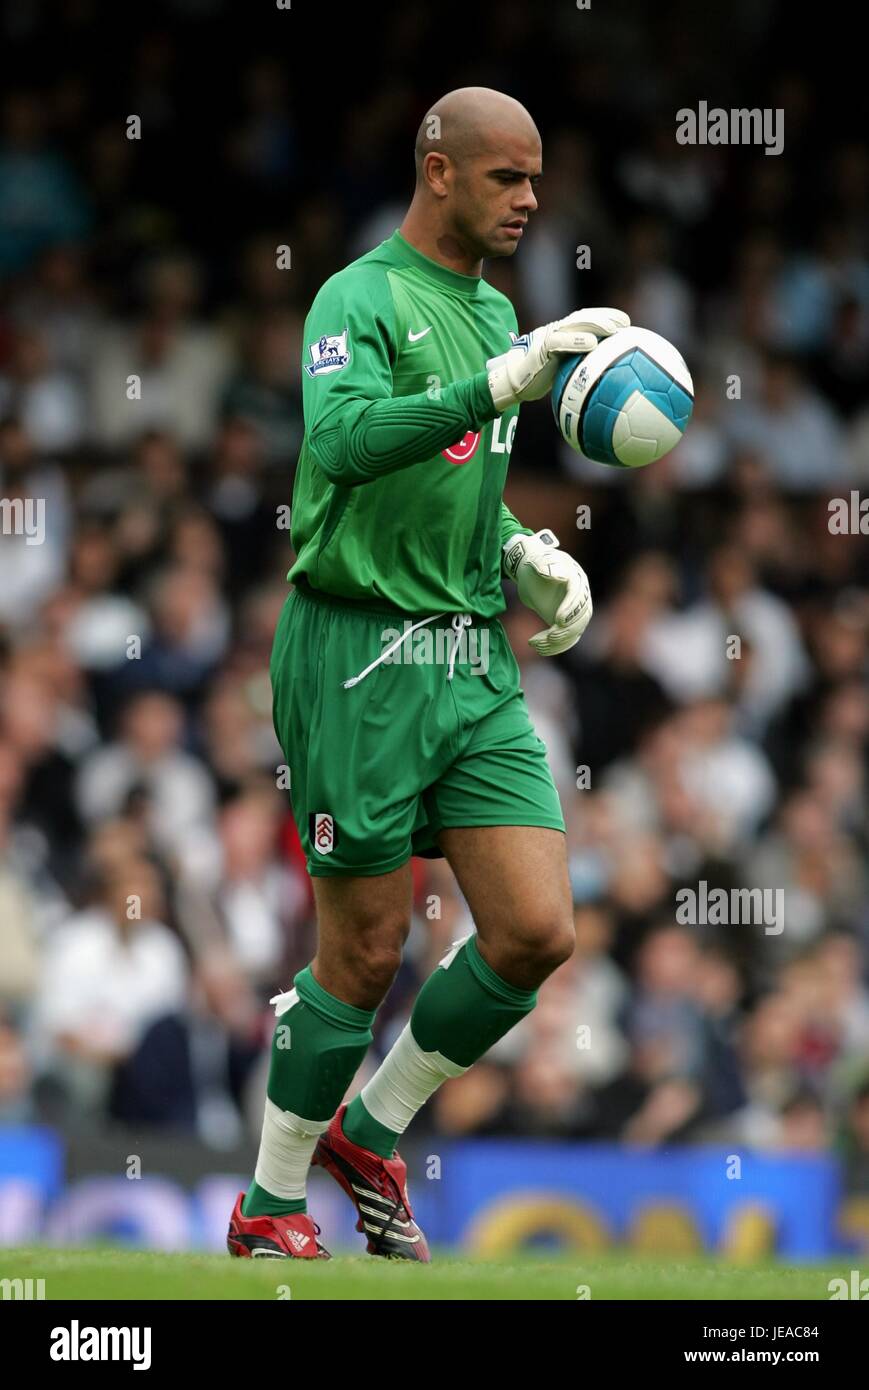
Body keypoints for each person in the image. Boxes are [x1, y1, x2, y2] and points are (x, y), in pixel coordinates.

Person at [227, 85, 629, 1261]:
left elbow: (454, 476)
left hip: (466, 653)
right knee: (360, 951)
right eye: (507, 176)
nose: (530, 198)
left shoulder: (497, 309)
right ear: (437, 170)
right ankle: (265, 1202)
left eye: (536, 176)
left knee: (536, 930)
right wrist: (501, 383)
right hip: (353, 652)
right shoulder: (357, 295)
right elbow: (343, 442)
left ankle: (374, 1125)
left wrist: (521, 553)